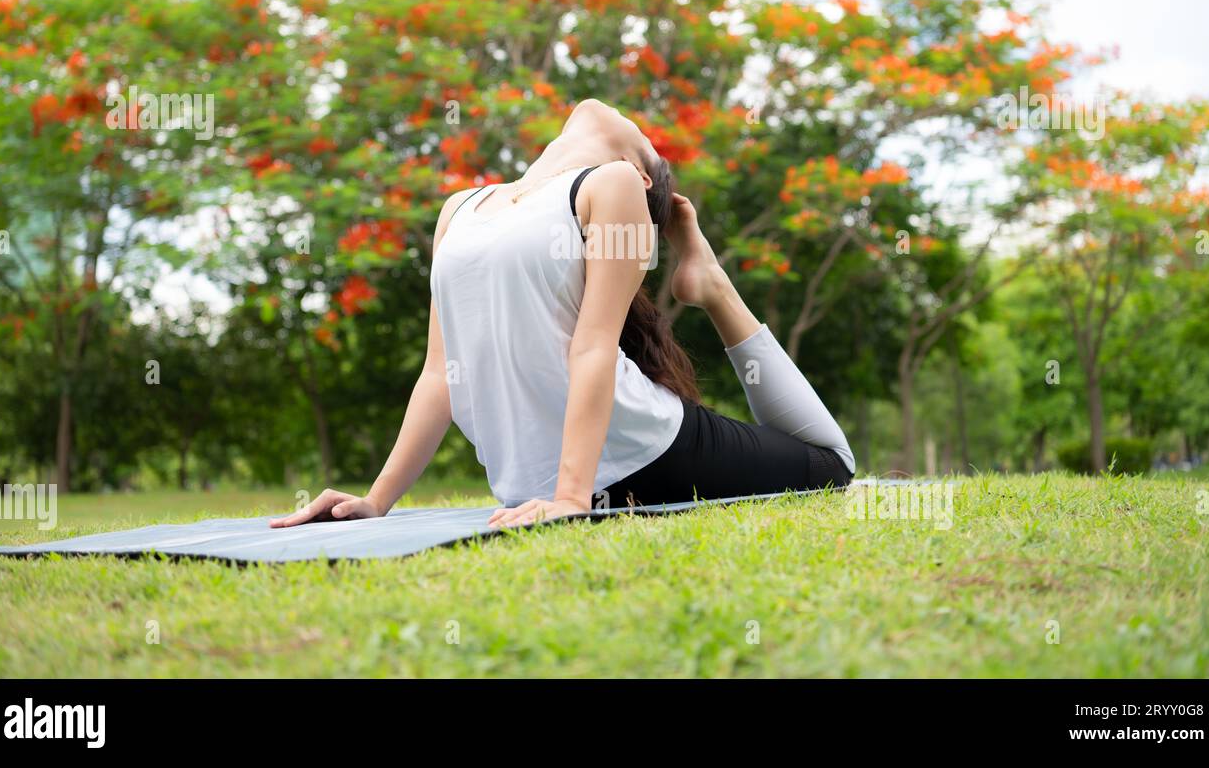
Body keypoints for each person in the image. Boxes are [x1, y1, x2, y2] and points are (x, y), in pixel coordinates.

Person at [270, 99, 853, 531]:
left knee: (832, 465)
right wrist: (375, 501)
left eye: (648, 144)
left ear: (643, 173)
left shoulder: (615, 184)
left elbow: (593, 346)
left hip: (641, 452)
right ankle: (708, 280)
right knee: (823, 461)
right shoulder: (462, 208)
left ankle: (713, 286)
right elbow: (441, 375)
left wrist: (574, 498)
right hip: (543, 484)